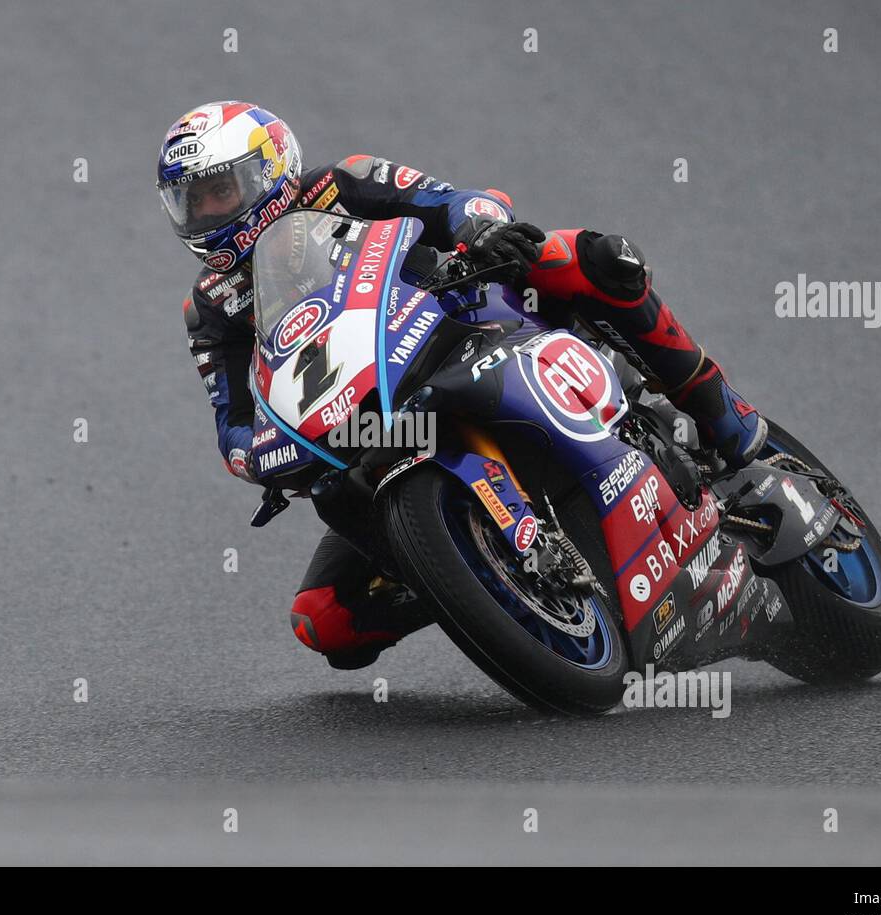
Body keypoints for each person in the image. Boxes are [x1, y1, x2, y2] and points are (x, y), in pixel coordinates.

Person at [158, 101, 767, 669]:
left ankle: (725, 416)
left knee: (590, 256)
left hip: (469, 318)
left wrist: (478, 228)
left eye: (222, 190)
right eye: (194, 202)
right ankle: (474, 571)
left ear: (270, 170)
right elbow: (234, 418)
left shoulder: (341, 184)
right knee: (326, 622)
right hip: (372, 423)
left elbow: (450, 200)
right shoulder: (211, 307)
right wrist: (255, 454)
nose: (211, 212)